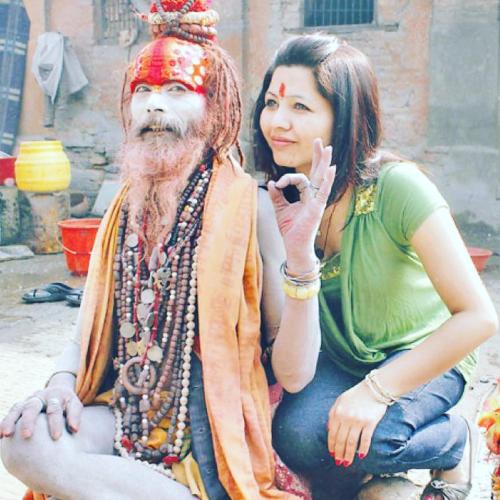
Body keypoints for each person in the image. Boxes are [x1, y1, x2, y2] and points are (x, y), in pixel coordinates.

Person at [0, 2, 308, 499]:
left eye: (177, 90)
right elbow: (85, 332)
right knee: (22, 442)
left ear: (214, 107)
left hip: (205, 435)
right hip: (124, 413)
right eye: (143, 90)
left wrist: (302, 261)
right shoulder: (124, 207)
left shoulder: (251, 208)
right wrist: (59, 383)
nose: (154, 106)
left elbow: (288, 364)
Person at [253, 33, 498, 500]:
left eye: (301, 107)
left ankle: (454, 442)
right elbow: (289, 365)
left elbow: (479, 317)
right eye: (271, 103)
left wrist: (375, 392)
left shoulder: (397, 187)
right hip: (345, 358)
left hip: (426, 355)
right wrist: (298, 254)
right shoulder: (280, 198)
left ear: (343, 118)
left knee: (378, 439)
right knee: (294, 436)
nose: (278, 121)